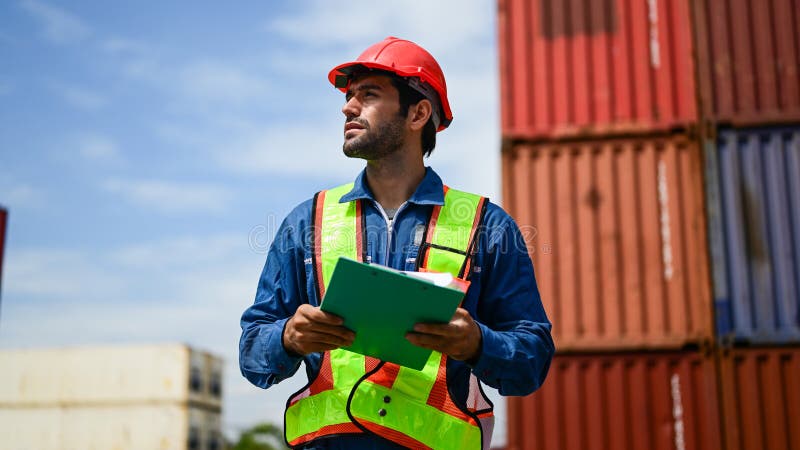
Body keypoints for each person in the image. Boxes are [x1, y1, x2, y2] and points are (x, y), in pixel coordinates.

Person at [239, 36, 554, 450]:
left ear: (418, 112)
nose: (348, 107)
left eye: (368, 95)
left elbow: (532, 360)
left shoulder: (487, 226)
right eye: (350, 96)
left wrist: (478, 342)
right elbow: (251, 351)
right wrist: (289, 337)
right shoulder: (306, 222)